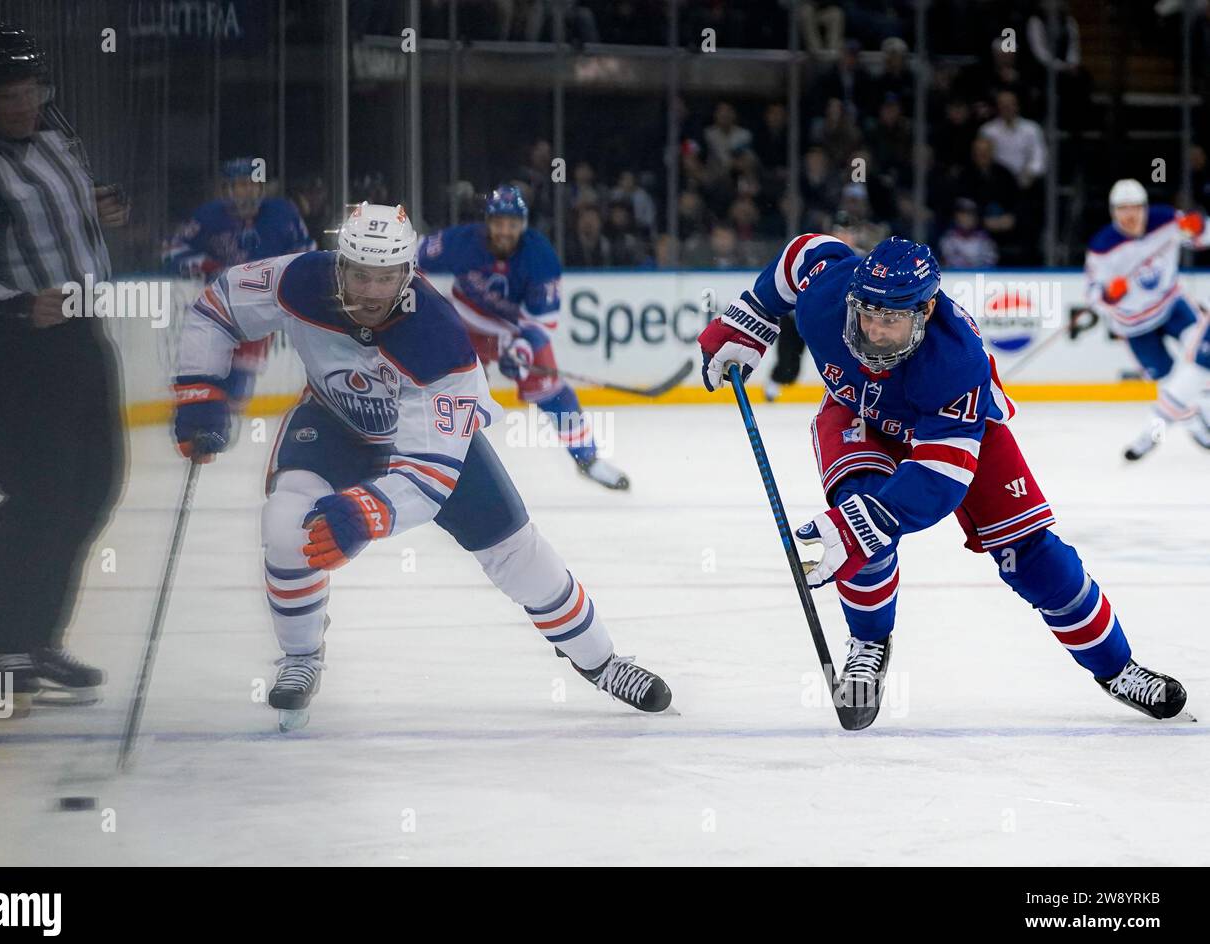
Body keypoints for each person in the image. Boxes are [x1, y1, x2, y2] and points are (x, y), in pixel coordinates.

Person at [171, 203, 671, 727]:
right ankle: (300, 658)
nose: (369, 291)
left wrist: (365, 513)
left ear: (407, 274)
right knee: (283, 527)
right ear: (338, 264)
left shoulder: (439, 341)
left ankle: (603, 662)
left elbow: (429, 475)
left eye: (385, 278)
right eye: (359, 274)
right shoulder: (299, 278)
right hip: (332, 423)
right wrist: (199, 388)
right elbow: (219, 306)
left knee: (518, 554)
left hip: (429, 447)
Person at [697, 232, 1188, 729]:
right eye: (866, 313)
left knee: (1031, 556)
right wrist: (753, 316)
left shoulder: (955, 361)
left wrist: (856, 531)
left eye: (891, 319)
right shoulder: (828, 299)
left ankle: (1118, 668)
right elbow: (805, 252)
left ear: (926, 311)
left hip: (952, 432)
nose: (873, 332)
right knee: (858, 511)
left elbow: (939, 478)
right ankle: (869, 643)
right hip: (860, 416)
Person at [0, 25, 128, 704]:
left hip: (83, 337)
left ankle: (42, 637)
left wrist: (105, 206)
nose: (21, 104)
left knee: (93, 488)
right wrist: (23, 305)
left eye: (28, 90)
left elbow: (77, 219)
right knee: (38, 497)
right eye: (6, 95)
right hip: (22, 350)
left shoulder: (57, 139)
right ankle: (4, 650)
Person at [417, 185, 630, 489]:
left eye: (512, 224)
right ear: (488, 222)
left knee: (554, 394)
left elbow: (541, 321)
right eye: (499, 223)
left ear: (523, 224)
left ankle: (589, 460)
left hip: (514, 330)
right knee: (445, 390)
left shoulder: (540, 256)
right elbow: (413, 257)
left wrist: (523, 349)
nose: (505, 230)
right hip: (464, 321)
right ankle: (431, 461)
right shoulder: (461, 241)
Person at [163, 157, 316, 411]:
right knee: (210, 375)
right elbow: (172, 250)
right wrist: (207, 266)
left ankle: (223, 411)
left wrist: (289, 280)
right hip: (220, 305)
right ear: (227, 189)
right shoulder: (208, 216)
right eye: (241, 185)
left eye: (254, 185)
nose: (248, 192)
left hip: (259, 309)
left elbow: (306, 251)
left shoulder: (283, 213)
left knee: (238, 388)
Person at [1085, 179, 1210, 459]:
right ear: (1113, 212)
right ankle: (1194, 427)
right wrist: (1109, 296)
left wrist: (1199, 227)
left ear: (1145, 207)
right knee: (1167, 379)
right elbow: (1092, 294)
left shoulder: (1165, 219)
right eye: (1122, 209)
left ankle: (1202, 417)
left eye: (1135, 207)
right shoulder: (1102, 247)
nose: (1130, 215)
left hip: (1173, 305)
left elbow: (1201, 238)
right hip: (1135, 324)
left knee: (1202, 359)